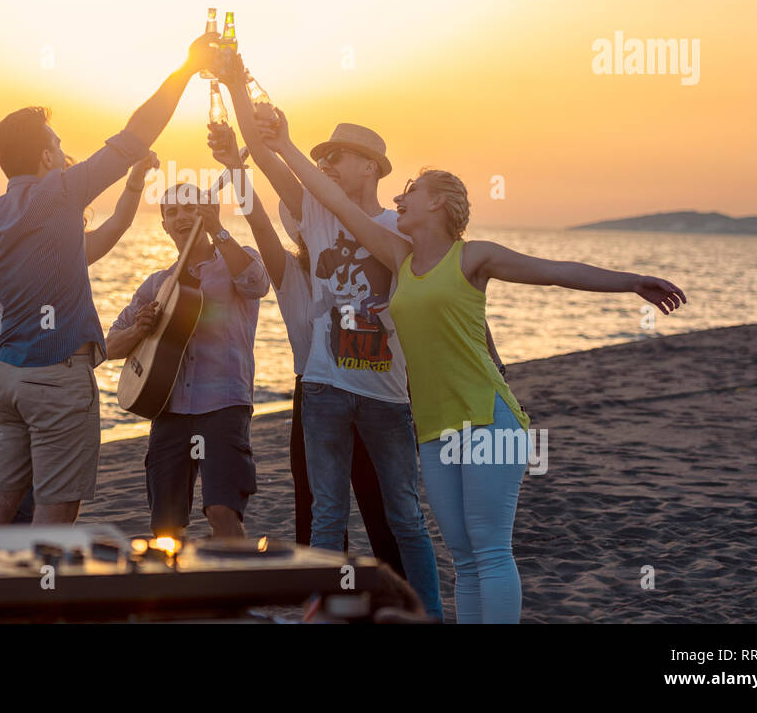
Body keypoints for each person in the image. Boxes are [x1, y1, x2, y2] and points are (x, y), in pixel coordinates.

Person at [262, 109, 686, 623]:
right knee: (463, 559)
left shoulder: (472, 257)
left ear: (438, 202)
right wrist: (283, 144)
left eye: (411, 190)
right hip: (436, 427)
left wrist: (631, 281)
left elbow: (554, 272)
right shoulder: (399, 258)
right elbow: (330, 200)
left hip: (489, 419)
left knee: (489, 551)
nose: (399, 197)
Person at [0, 32, 218, 526]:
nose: (62, 150)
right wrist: (186, 69)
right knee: (54, 513)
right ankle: (36, 599)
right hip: (57, 381)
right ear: (47, 158)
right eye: (57, 143)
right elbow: (140, 131)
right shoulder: (62, 192)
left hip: (6, 379)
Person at [212, 60, 443, 620]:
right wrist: (236, 81)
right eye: (322, 158)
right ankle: (327, 613)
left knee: (402, 517)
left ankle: (422, 614)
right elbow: (265, 159)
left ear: (372, 167)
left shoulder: (401, 228)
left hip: (386, 394)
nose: (326, 164)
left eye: (336, 157)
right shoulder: (313, 212)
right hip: (324, 388)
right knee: (325, 515)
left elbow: (446, 287)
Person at [205, 121, 408, 577]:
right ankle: (325, 597)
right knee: (316, 515)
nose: (303, 225)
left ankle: (394, 597)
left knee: (384, 515)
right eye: (297, 221)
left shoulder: (379, 240)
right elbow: (258, 220)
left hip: (374, 389)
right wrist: (236, 167)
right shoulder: (289, 272)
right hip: (314, 393)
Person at [0, 153, 159, 526]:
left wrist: (135, 179)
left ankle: (3, 580)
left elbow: (117, 224)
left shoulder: (65, 249)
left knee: (21, 506)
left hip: (34, 379)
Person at [105, 180, 270, 539]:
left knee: (222, 512)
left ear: (207, 212)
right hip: (169, 410)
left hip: (223, 405)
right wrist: (138, 330)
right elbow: (109, 346)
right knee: (165, 525)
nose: (181, 216)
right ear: (163, 223)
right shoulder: (156, 284)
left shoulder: (236, 259)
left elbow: (258, 284)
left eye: (190, 207)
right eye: (172, 211)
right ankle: (176, 593)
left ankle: (235, 592)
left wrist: (219, 232)